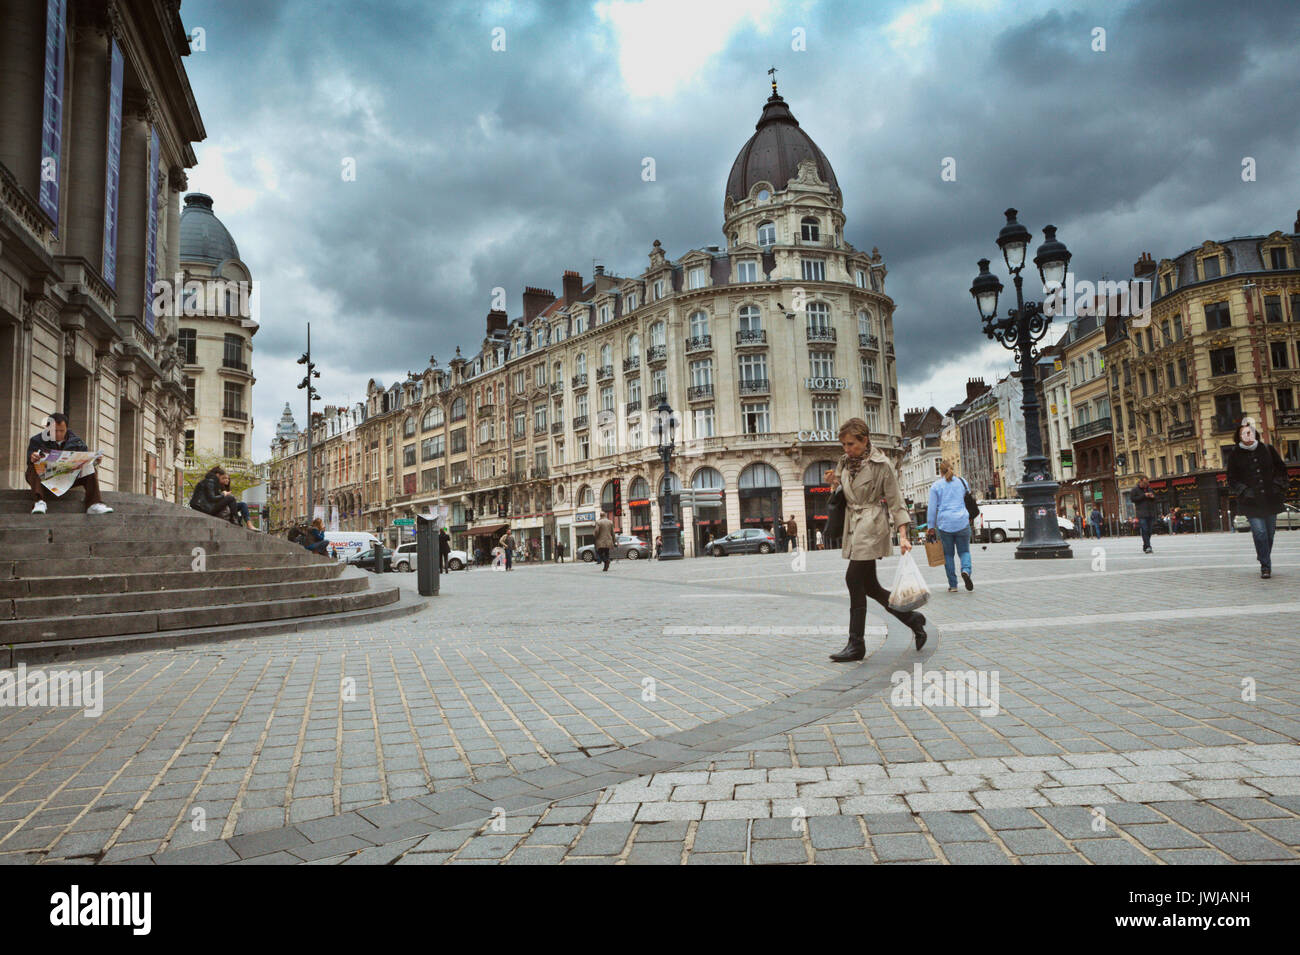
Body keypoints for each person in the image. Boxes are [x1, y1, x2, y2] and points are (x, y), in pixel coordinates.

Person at [826, 418, 928, 662]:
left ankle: (856, 643)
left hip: (871, 524)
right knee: (870, 585)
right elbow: (841, 489)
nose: (847, 449)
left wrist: (903, 536)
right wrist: (833, 482)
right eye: (844, 444)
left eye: (851, 444)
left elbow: (896, 502)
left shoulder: (882, 465)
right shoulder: (844, 462)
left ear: (864, 440)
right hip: (854, 524)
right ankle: (912, 620)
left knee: (852, 578)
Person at [1227, 418, 1288, 579]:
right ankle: (1265, 566)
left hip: (1271, 499)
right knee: (1260, 532)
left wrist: (1277, 486)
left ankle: (1263, 556)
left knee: (1269, 534)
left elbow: (1282, 469)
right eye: (1244, 433)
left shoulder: (1267, 449)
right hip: (1251, 502)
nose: (1247, 435)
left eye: (1250, 432)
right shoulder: (1234, 455)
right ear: (1239, 437)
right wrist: (1245, 491)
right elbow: (1231, 479)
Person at [26, 413, 112, 515]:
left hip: (68, 477)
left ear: (67, 428)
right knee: (33, 466)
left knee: (90, 467)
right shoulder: (37, 440)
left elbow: (85, 463)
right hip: (45, 477)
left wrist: (95, 461)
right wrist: (33, 457)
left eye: (61, 431)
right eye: (54, 431)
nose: (58, 434)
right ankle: (39, 502)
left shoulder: (78, 442)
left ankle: (94, 504)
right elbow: (29, 461)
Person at [926, 459, 974, 593]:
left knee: (948, 555)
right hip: (962, 521)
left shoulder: (936, 486)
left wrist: (931, 526)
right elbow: (967, 499)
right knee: (964, 551)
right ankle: (966, 570)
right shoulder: (962, 482)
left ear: (940, 471)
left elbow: (932, 508)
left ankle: (953, 585)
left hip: (944, 523)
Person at [1130, 476, 1157, 554]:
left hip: (1151, 512)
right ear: (1140, 482)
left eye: (1147, 483)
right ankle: (1148, 546)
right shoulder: (1135, 490)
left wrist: (1152, 497)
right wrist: (1144, 495)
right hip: (1142, 513)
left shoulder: (1150, 489)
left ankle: (1145, 545)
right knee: (1144, 529)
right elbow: (1133, 499)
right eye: (1145, 483)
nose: (1146, 484)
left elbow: (1155, 499)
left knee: (1150, 530)